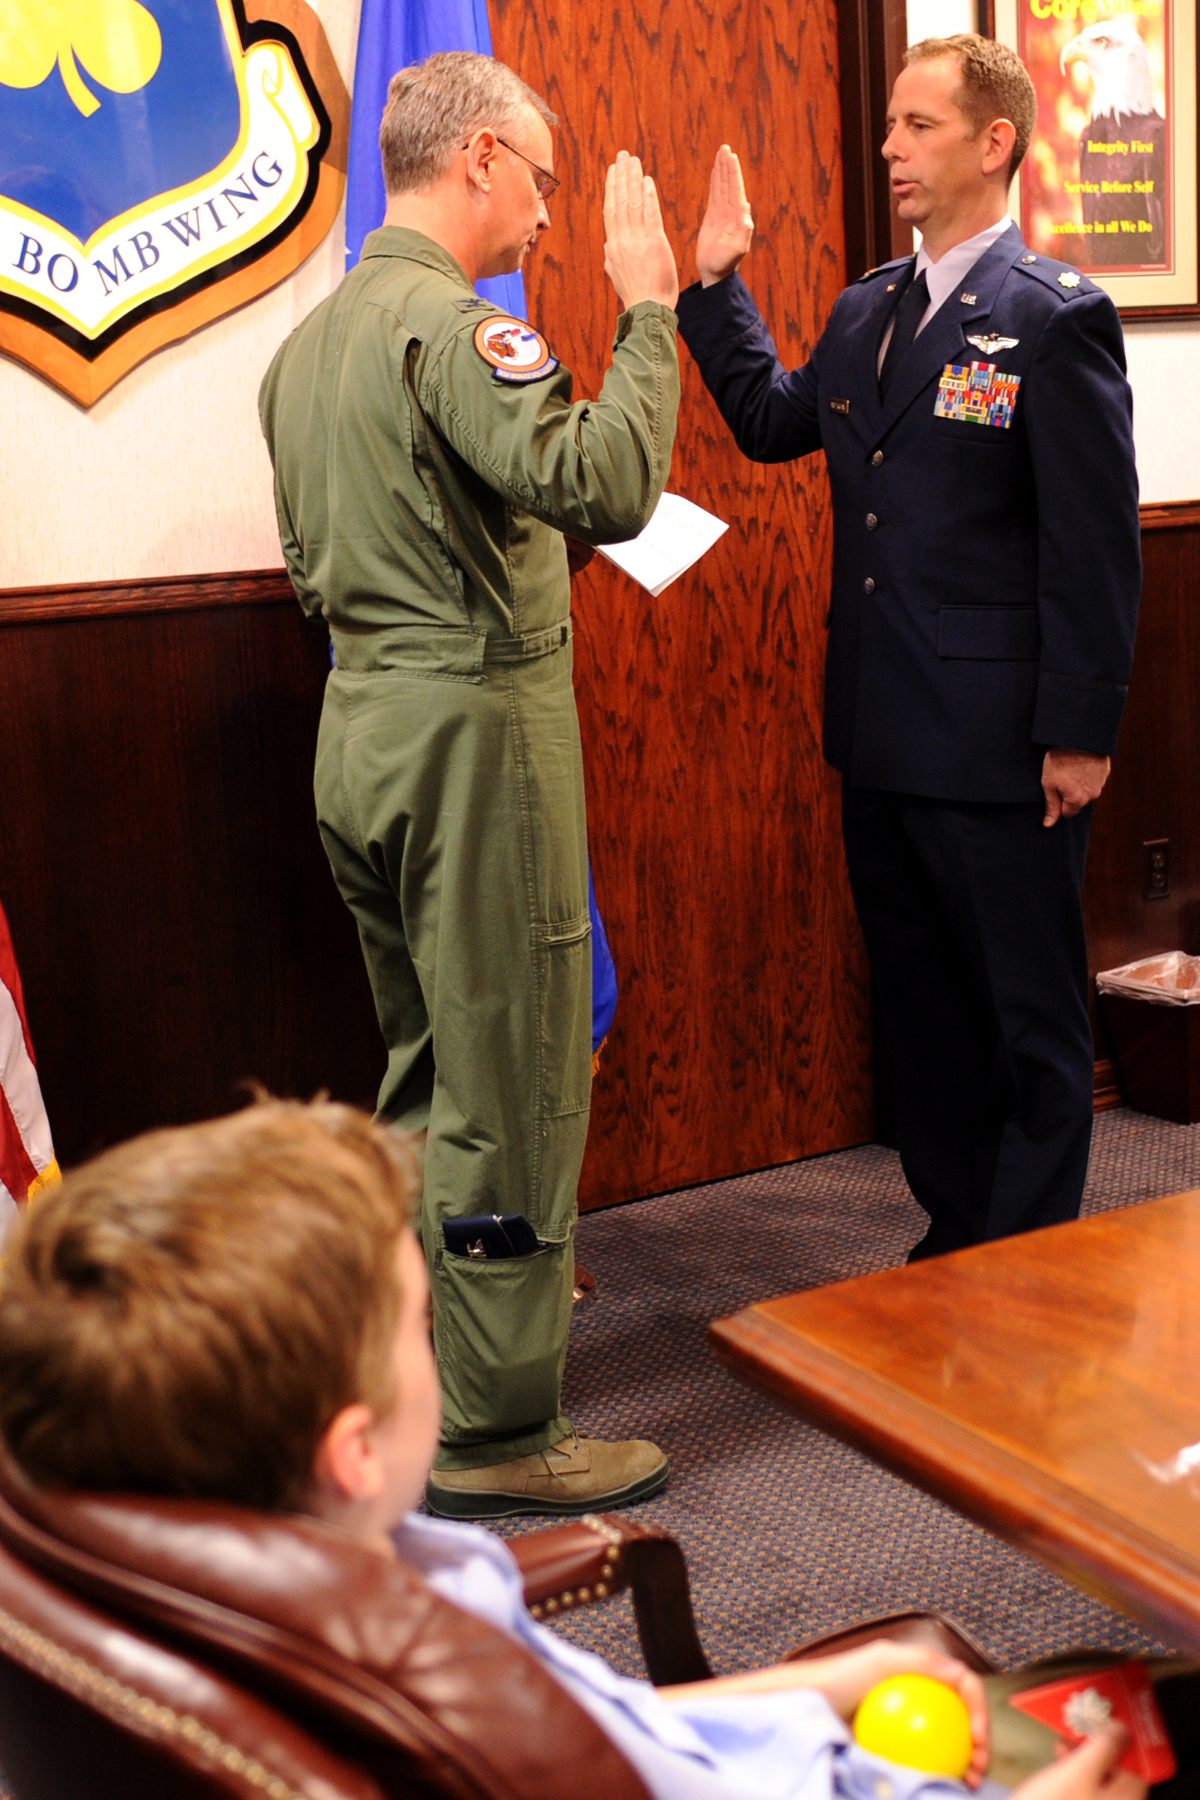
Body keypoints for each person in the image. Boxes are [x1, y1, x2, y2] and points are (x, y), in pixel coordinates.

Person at [0, 1100, 1155, 1800]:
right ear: (352, 1450)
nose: (435, 1346)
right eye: (417, 1328)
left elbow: (610, 1730)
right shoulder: (452, 1695)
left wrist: (810, 1681)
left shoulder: (334, 1564)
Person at [258, 52, 681, 1510]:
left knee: (425, 1076)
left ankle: (412, 1371)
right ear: (485, 159)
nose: (554, 216)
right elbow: (609, 484)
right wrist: (649, 313)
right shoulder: (453, 327)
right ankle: (499, 1438)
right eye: (546, 181)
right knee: (507, 1083)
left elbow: (326, 557)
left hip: (361, 727)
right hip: (471, 739)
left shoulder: (308, 348)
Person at [674, 34, 1141, 1259]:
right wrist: (714, 287)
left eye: (917, 126)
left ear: (994, 142)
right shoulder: (866, 306)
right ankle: (957, 1228)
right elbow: (779, 423)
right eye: (887, 126)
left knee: (1027, 1015)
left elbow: (1091, 547)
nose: (889, 149)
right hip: (881, 729)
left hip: (1002, 746)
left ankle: (1030, 1254)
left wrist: (1081, 734)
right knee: (927, 1014)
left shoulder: (1051, 320)